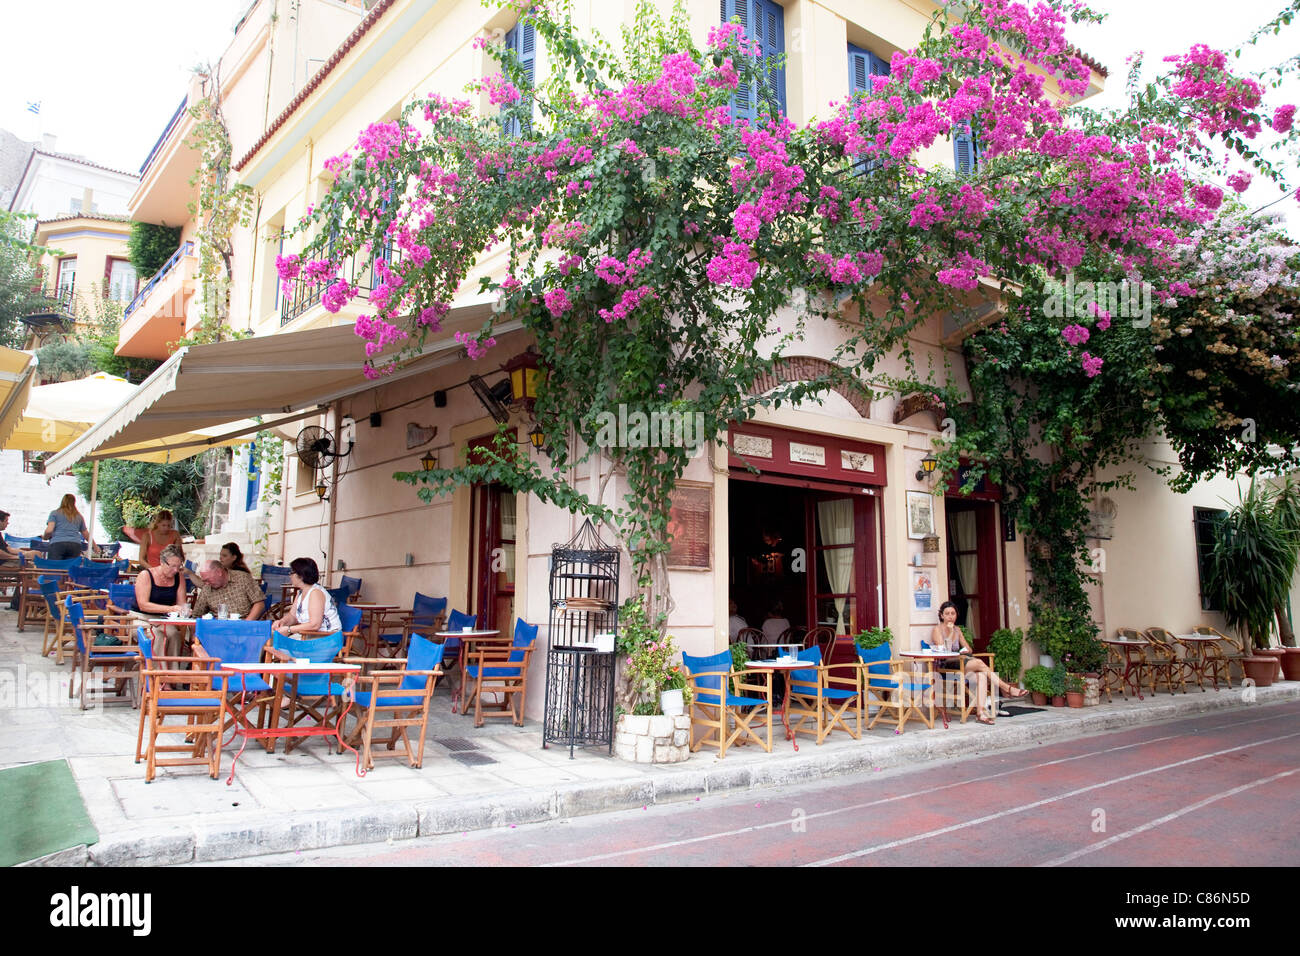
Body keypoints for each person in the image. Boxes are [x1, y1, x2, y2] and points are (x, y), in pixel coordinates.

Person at [930, 600, 1026, 724]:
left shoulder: (957, 630)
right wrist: (950, 636)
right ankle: (1007, 688)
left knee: (981, 676)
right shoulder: (937, 630)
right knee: (980, 663)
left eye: (953, 613)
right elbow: (943, 653)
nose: (950, 616)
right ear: (942, 616)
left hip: (960, 665)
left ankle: (980, 713)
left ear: (956, 615)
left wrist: (963, 650)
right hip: (946, 667)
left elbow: (969, 649)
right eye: (947, 613)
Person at [133, 544, 189, 656]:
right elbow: (143, 605)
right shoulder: (146, 575)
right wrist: (172, 608)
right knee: (157, 636)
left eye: (179, 567)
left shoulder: (179, 577)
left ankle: (172, 671)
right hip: (140, 617)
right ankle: (155, 672)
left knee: (174, 635)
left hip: (162, 619)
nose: (176, 570)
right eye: (172, 566)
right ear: (162, 562)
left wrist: (184, 610)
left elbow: (181, 604)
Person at [274, 556, 341, 637]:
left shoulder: (315, 593)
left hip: (326, 638)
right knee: (272, 640)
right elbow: (292, 616)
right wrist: (282, 622)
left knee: (276, 645)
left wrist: (289, 629)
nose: (289, 575)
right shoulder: (301, 592)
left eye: (291, 572)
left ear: (301, 575)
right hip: (309, 635)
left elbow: (315, 625)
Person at [192, 560, 266, 621]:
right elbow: (197, 614)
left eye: (208, 580)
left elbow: (259, 603)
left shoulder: (243, 578)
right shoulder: (207, 588)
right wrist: (194, 636)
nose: (206, 583)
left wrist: (246, 624)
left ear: (219, 572)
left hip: (245, 625)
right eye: (204, 581)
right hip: (219, 630)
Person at [44, 494, 92, 560]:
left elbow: (49, 530)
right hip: (75, 545)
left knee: (55, 568)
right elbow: (86, 534)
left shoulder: (54, 513)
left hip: (58, 543)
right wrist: (95, 546)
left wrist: (45, 537)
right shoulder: (79, 516)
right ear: (74, 502)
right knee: (70, 568)